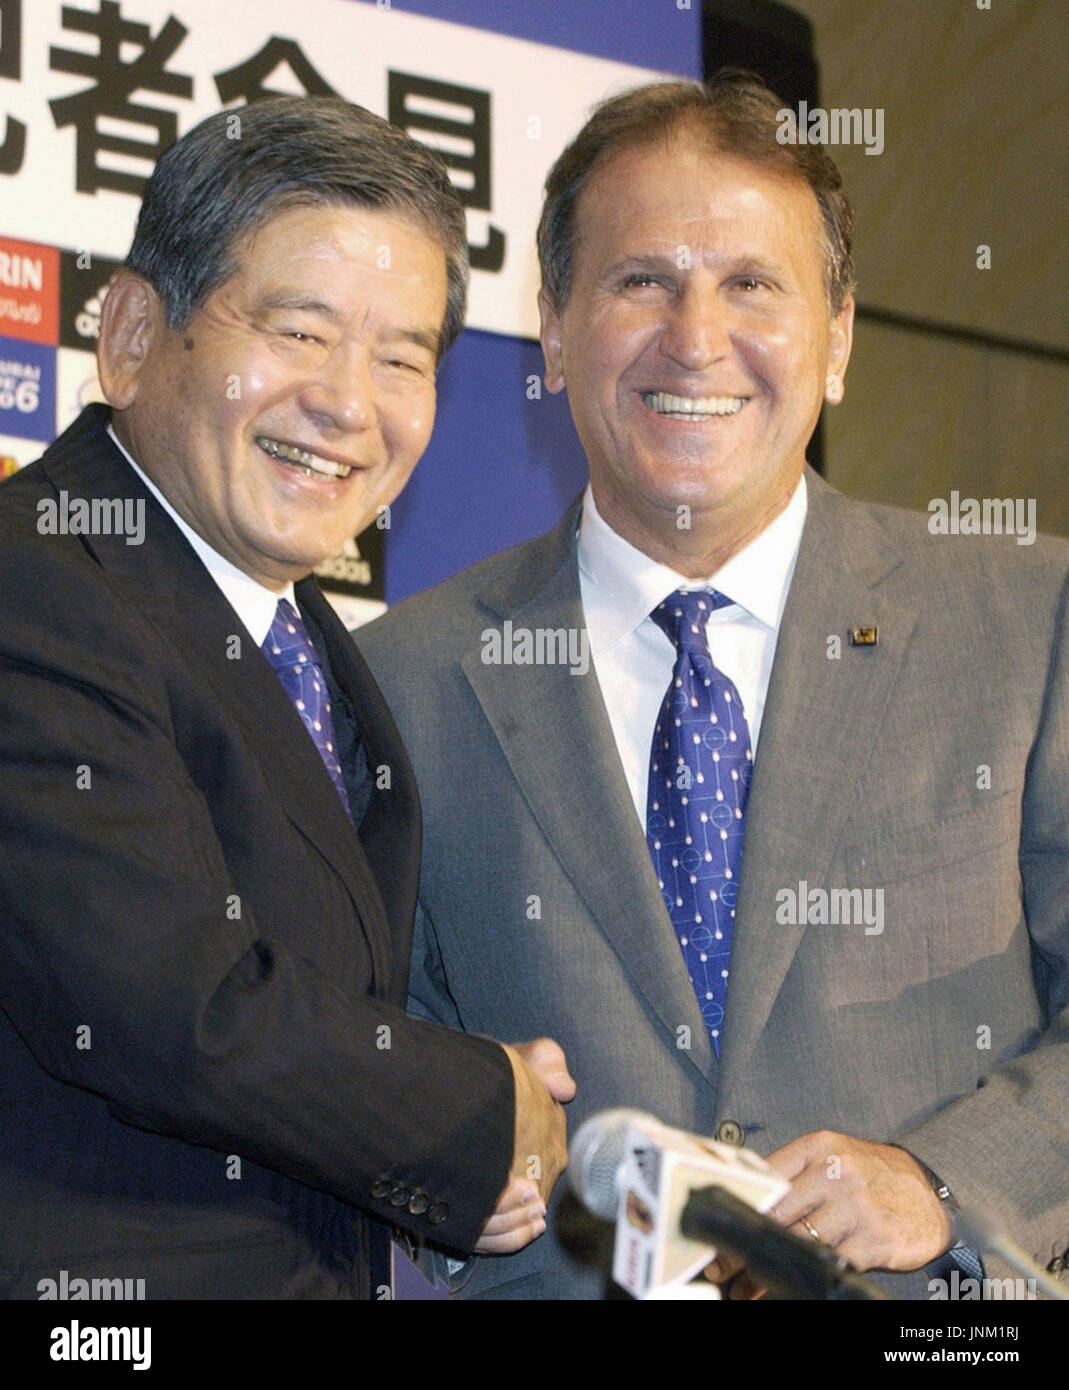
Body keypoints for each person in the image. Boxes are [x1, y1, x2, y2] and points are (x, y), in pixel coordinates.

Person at [357, 72, 1069, 1299]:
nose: (694, 338)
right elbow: (361, 1071)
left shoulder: (1028, 617)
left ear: (836, 340)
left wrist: (939, 1181)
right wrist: (458, 1148)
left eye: (751, 284)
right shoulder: (401, 678)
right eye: (642, 281)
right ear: (554, 328)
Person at [0, 96, 574, 1301]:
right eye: (300, 332)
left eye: (403, 358)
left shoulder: (303, 635)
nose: (349, 404)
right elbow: (172, 1004)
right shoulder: (37, 575)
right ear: (131, 334)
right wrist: (477, 1115)